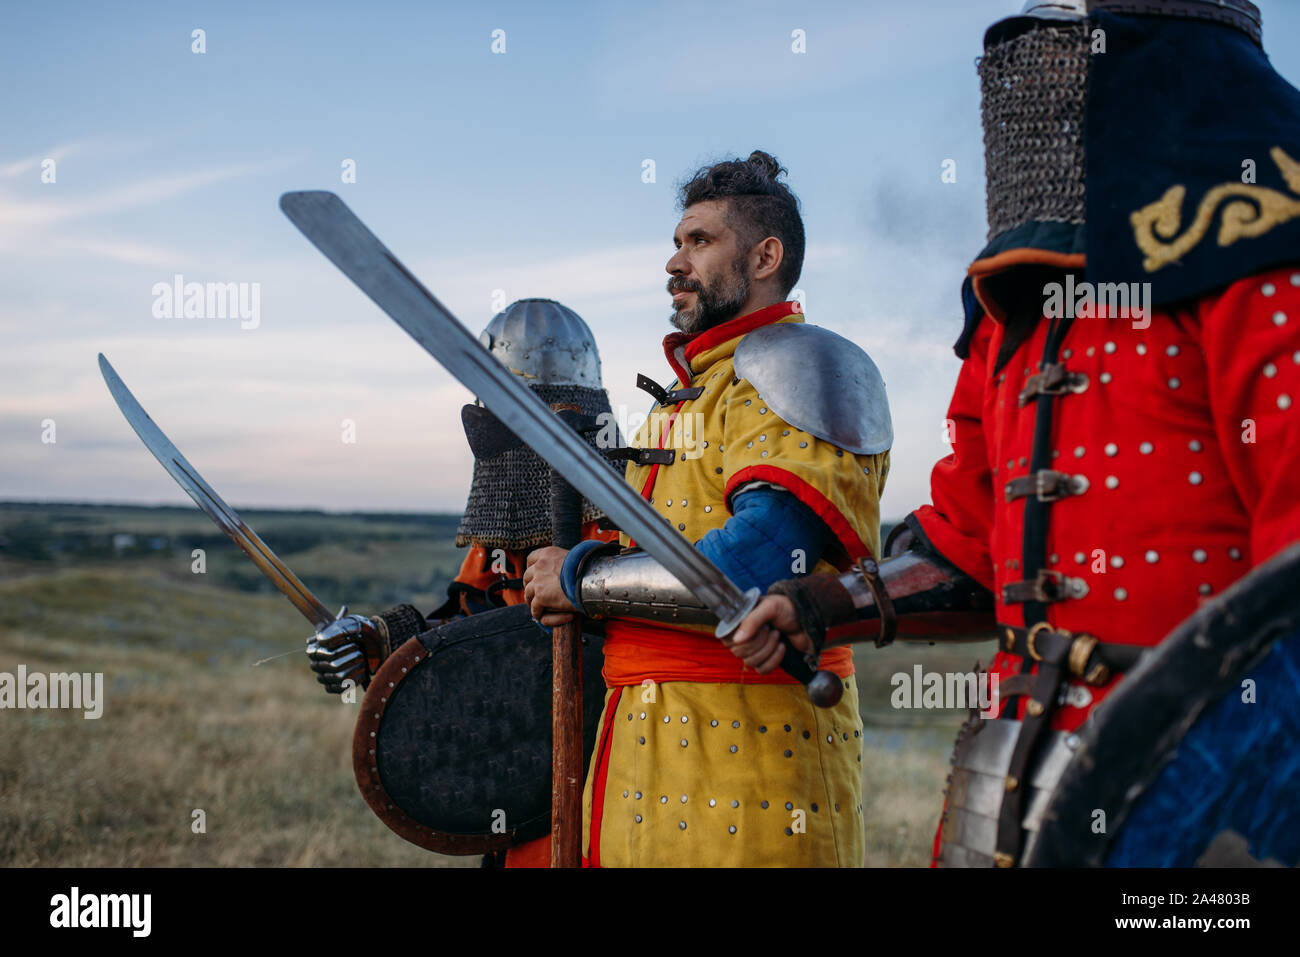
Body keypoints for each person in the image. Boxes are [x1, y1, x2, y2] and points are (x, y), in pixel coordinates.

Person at [729, 0, 1300, 867]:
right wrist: (820, 604)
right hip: (1000, 798)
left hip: (1200, 813)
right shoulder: (1017, 317)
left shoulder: (1266, 267)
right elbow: (971, 544)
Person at [523, 150, 893, 867]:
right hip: (644, 759)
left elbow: (756, 563)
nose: (674, 261)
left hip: (757, 758)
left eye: (699, 241)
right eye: (675, 242)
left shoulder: (799, 369)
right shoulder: (684, 399)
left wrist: (578, 578)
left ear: (765, 255)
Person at [305, 297, 619, 868]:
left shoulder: (632, 511)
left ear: (552, 409)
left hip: (617, 779)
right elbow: (472, 623)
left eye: (496, 401)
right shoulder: (503, 525)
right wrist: (379, 640)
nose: (481, 415)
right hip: (520, 776)